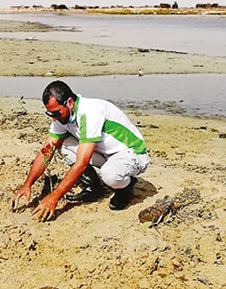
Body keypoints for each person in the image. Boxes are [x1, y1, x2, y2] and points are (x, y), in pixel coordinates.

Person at [11, 80, 150, 220]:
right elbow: (46, 151)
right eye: (50, 114)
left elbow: (81, 163)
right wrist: (27, 185)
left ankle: (126, 187)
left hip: (131, 153)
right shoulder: (61, 118)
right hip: (105, 154)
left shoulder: (89, 112)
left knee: (110, 175)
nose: (54, 119)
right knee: (62, 145)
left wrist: (54, 197)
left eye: (57, 113)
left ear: (70, 102)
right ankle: (94, 187)